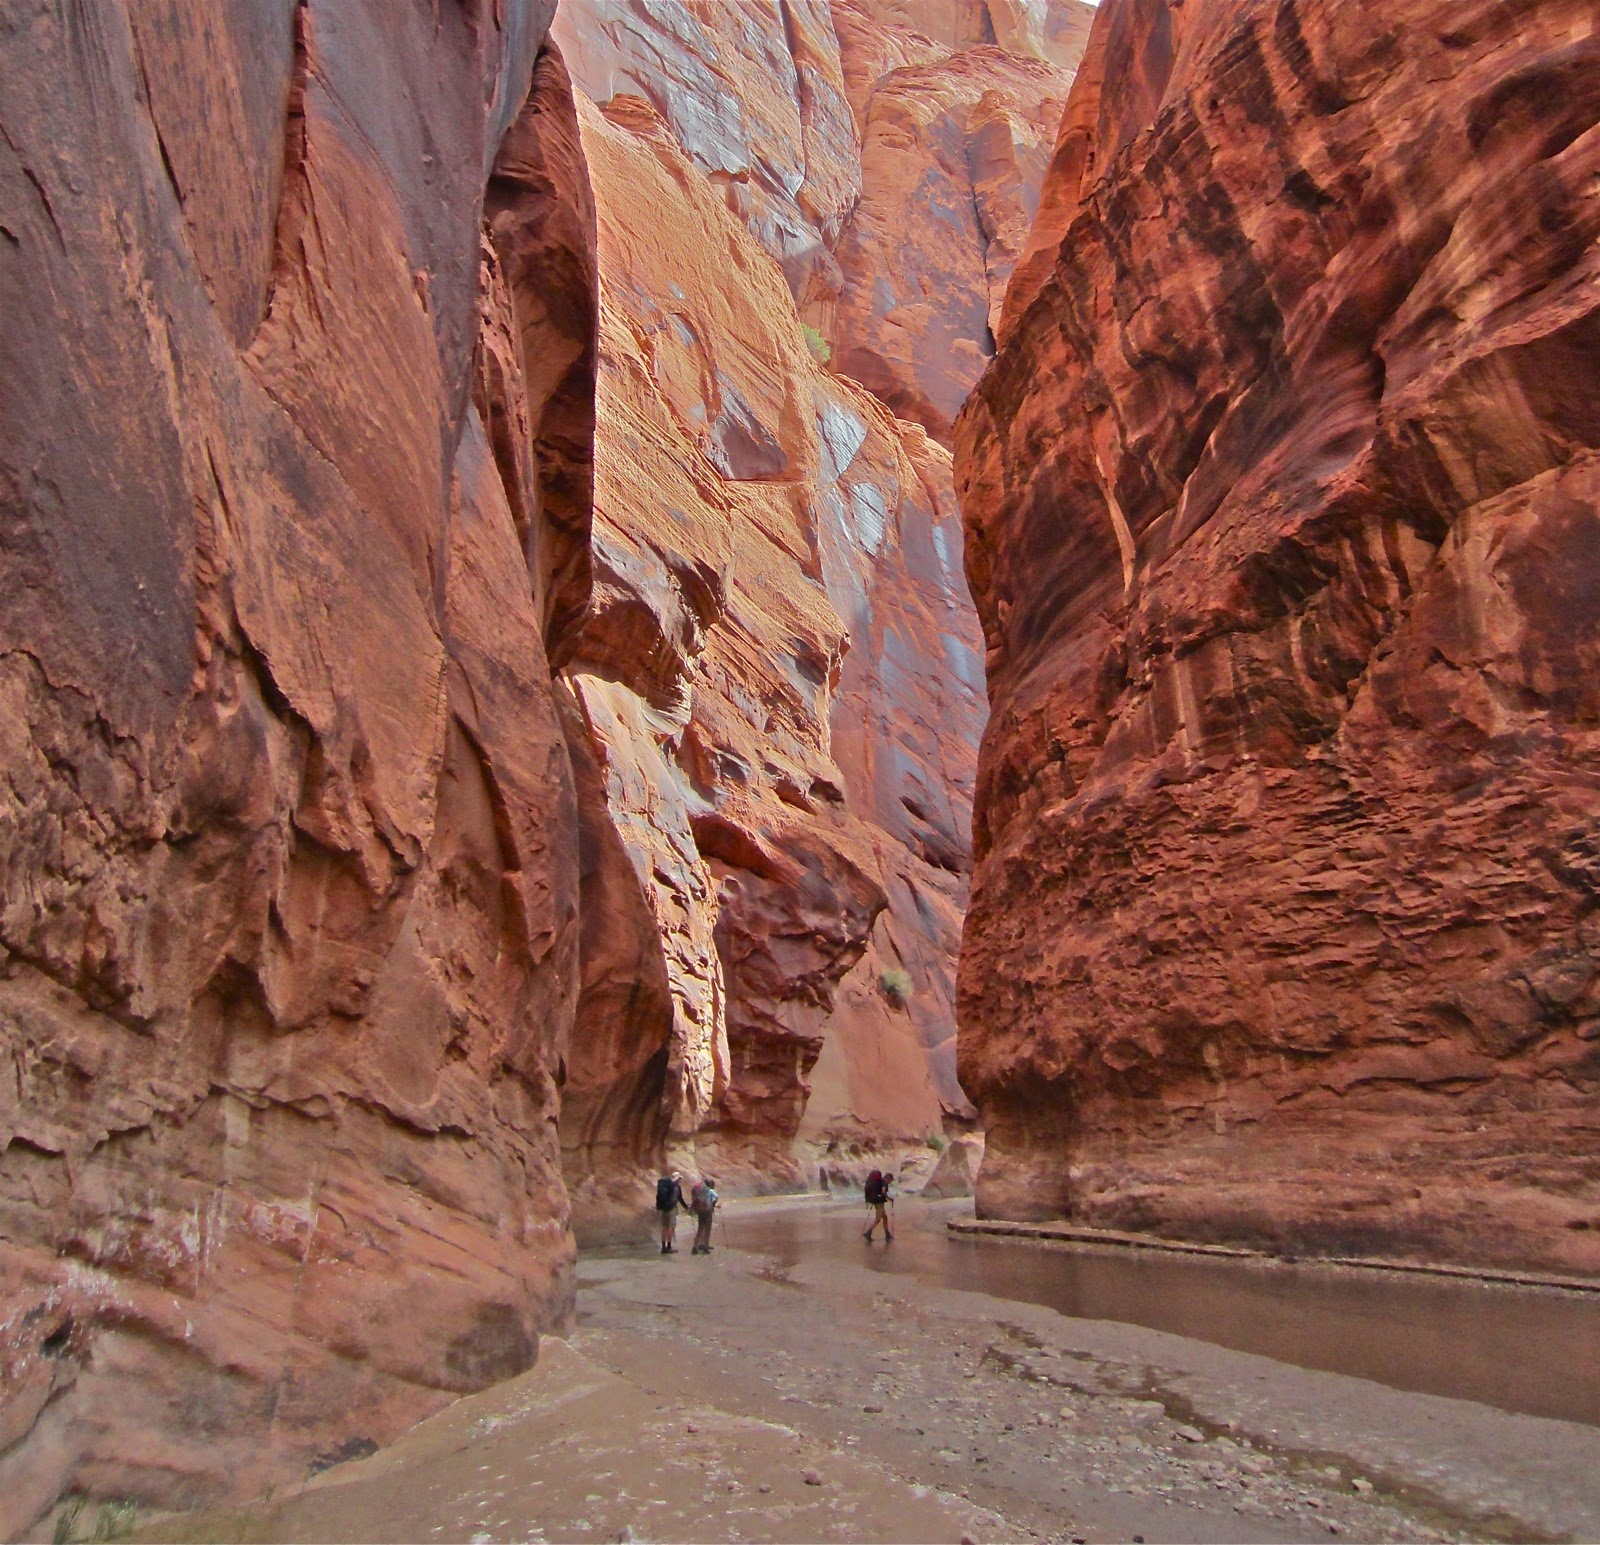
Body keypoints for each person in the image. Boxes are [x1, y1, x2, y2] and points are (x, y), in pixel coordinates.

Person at [655, 1171, 685, 1254]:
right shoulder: (676, 1187)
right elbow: (680, 1199)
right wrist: (687, 1208)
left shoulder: (665, 1186)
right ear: (678, 1178)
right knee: (670, 1228)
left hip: (663, 1208)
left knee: (664, 1228)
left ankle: (663, 1247)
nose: (680, 1180)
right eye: (679, 1179)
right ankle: (669, 1246)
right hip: (671, 1209)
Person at [689, 1175, 718, 1254]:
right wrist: (713, 1205)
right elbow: (716, 1197)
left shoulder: (699, 1190)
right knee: (707, 1229)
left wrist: (692, 1208)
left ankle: (695, 1246)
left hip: (700, 1210)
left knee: (700, 1228)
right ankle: (705, 1246)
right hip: (707, 1211)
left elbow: (694, 1199)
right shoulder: (710, 1191)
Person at [863, 1169, 894, 1241]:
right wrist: (889, 1198)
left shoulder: (878, 1182)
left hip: (875, 1201)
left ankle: (887, 1234)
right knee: (878, 1219)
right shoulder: (884, 1183)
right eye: (891, 1180)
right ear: (888, 1178)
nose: (890, 1182)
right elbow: (883, 1191)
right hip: (879, 1202)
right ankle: (868, 1233)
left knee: (885, 1217)